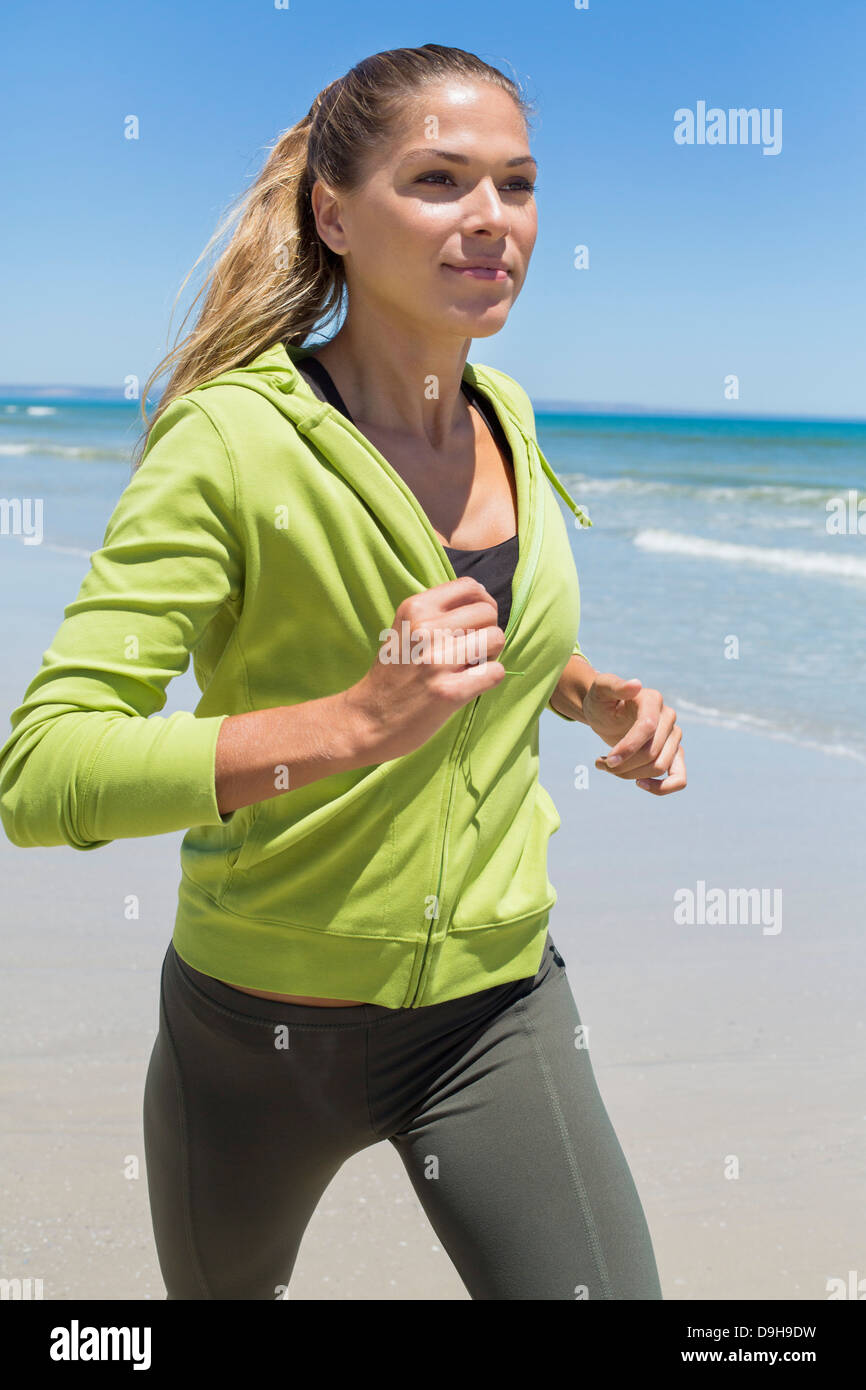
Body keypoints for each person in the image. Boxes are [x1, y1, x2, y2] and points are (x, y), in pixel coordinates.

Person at [0, 43, 685, 1300]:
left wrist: (591, 693)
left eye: (517, 184)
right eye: (437, 180)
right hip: (258, 1040)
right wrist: (350, 723)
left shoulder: (508, 417)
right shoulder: (229, 442)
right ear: (333, 210)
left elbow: (491, 636)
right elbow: (43, 771)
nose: (491, 221)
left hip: (497, 1010)